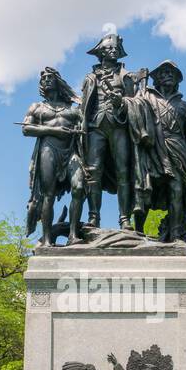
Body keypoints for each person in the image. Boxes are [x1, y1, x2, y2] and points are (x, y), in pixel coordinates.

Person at [125, 59, 186, 243]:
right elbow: (130, 105)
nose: (167, 76)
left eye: (171, 74)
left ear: (177, 79)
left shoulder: (183, 105)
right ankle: (138, 231)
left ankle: (175, 235)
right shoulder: (146, 97)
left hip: (177, 149)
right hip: (151, 147)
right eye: (163, 73)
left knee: (176, 190)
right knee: (146, 188)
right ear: (156, 78)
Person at [78, 33, 139, 231]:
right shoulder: (91, 77)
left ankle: (124, 218)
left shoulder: (126, 77)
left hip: (119, 126)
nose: (113, 51)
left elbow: (135, 103)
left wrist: (121, 103)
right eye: (109, 48)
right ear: (102, 51)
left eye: (116, 49)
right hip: (96, 127)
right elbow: (84, 106)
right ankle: (93, 217)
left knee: (123, 171)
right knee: (93, 172)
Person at [21, 67, 81, 246]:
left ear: (58, 82)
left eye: (50, 78)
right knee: (49, 194)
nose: (46, 80)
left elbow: (85, 127)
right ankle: (47, 239)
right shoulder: (37, 107)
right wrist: (53, 130)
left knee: (79, 188)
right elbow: (26, 129)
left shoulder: (73, 109)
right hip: (48, 149)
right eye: (43, 79)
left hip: (71, 151)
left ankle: (73, 235)